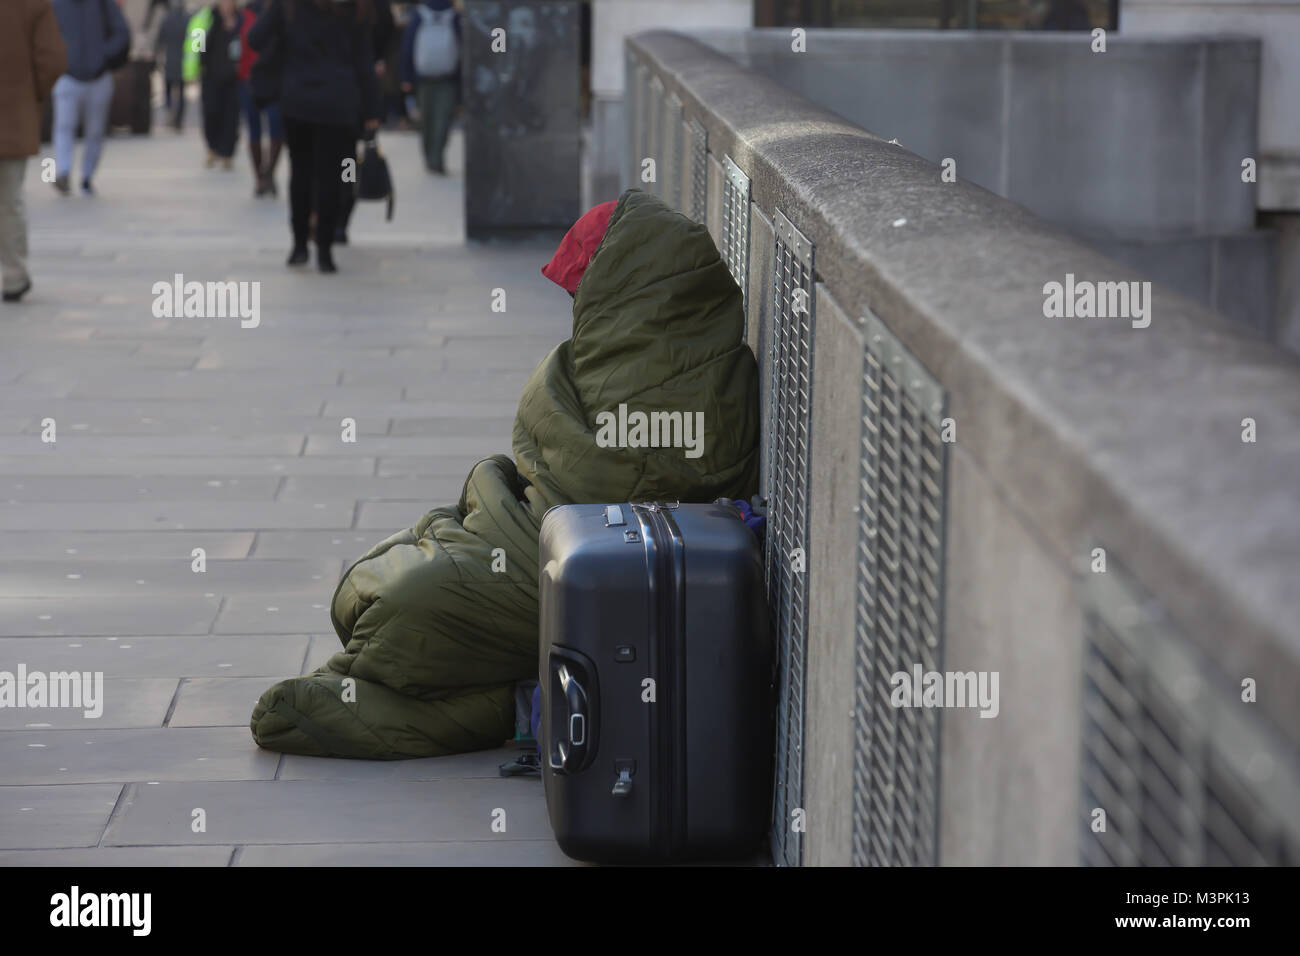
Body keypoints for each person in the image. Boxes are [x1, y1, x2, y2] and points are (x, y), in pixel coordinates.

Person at [249, 189, 762, 759]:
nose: (574, 301)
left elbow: (615, 475)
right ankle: (517, 698)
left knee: (401, 604)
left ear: (616, 287)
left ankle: (497, 697)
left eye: (579, 288)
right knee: (393, 585)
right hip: (548, 536)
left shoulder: (684, 371)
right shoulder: (654, 348)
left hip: (577, 557)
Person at [249, 0, 380, 273]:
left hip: (298, 100)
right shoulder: (356, 8)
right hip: (339, 102)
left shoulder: (290, 6)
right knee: (332, 177)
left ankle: (299, 246)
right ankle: (324, 249)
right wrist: (371, 112)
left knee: (301, 173)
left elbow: (255, 38)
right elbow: (364, 63)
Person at [0, 0, 68, 303]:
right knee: (8, 200)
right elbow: (52, 60)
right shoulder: (32, 4)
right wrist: (30, 95)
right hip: (11, 119)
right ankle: (13, 274)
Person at [49, 0, 131, 197]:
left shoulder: (103, 4)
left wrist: (104, 55)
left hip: (98, 76)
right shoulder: (56, 5)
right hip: (67, 76)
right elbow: (45, 37)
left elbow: (121, 32)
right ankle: (63, 172)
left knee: (95, 131)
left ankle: (87, 177)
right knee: (64, 125)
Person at [334, 0, 394, 244]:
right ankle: (338, 221)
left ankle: (337, 220)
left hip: (343, 105)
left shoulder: (363, 11)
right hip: (348, 104)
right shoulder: (363, 12)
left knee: (342, 167)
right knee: (345, 166)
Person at [400, 0, 459, 174]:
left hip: (424, 78)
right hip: (447, 78)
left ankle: (430, 157)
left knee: (427, 120)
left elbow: (408, 46)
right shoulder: (453, 15)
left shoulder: (420, 14)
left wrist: (406, 76)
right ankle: (436, 157)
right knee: (442, 119)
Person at [236, 0, 284, 196]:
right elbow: (247, 40)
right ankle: (259, 177)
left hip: (276, 79)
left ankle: (269, 173)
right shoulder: (246, 13)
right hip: (249, 78)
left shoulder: (285, 9)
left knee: (276, 127)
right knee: (254, 129)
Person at [200, 0, 242, 170]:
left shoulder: (240, 20)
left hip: (234, 79)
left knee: (231, 118)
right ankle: (212, 148)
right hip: (210, 77)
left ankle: (227, 154)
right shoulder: (206, 19)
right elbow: (196, 44)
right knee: (211, 113)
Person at [153, 0, 190, 131]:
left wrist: (156, 57)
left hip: (170, 60)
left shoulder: (166, 19)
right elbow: (199, 40)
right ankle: (178, 119)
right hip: (186, 61)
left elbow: (158, 41)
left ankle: (169, 113)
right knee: (181, 91)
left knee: (168, 89)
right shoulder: (189, 19)